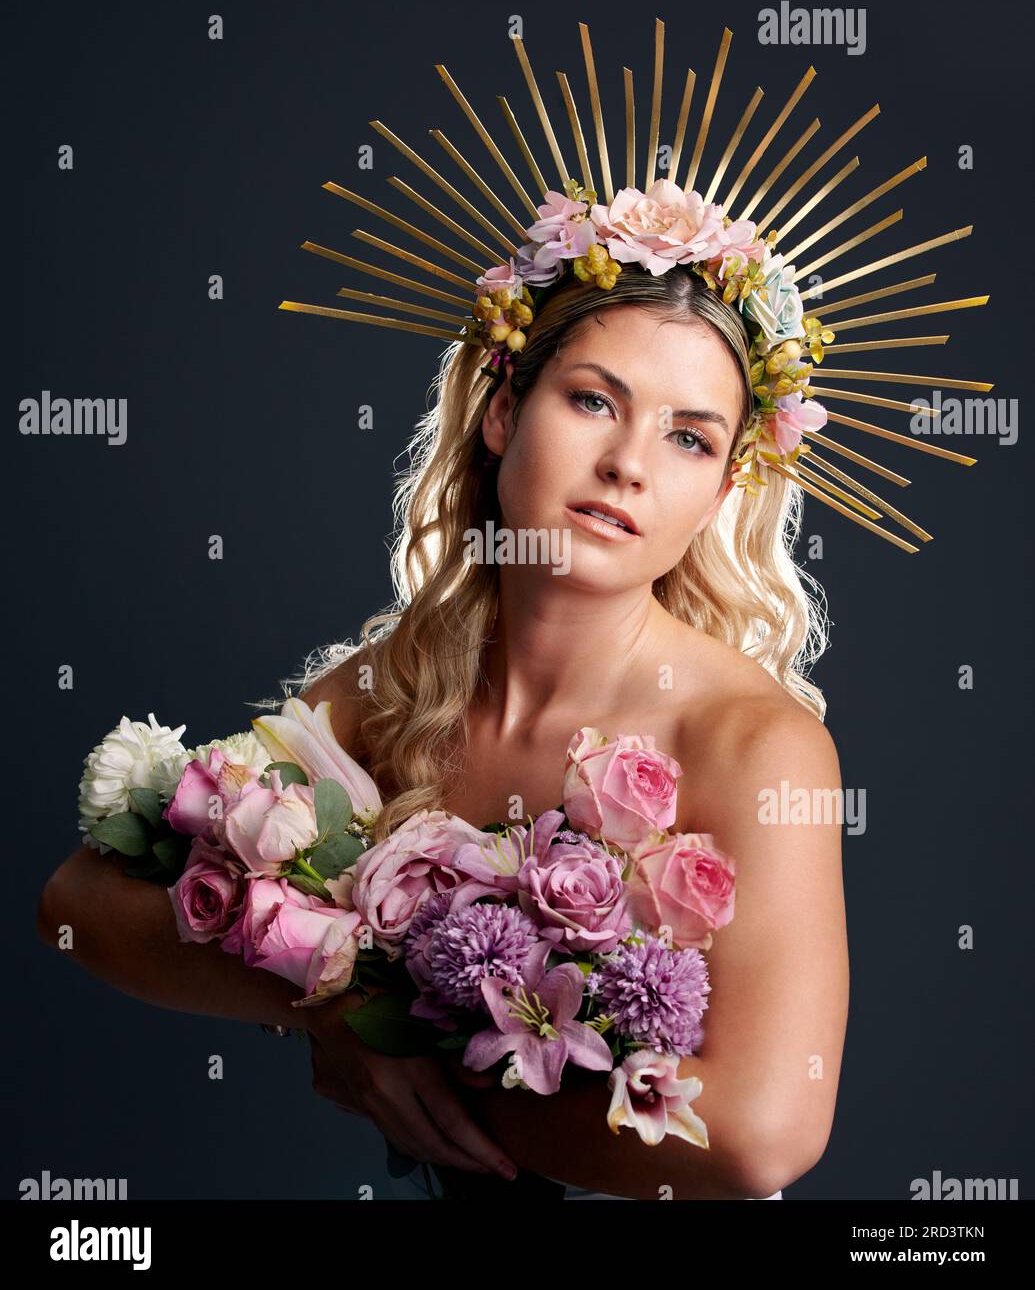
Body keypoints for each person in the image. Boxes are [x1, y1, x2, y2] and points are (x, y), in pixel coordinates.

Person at [38, 262, 849, 1201]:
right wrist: (340, 1013)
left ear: (718, 493)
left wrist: (416, 1067)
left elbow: (762, 1135)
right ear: (502, 411)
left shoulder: (753, 745)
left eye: (688, 439)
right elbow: (77, 905)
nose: (629, 462)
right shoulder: (398, 686)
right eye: (592, 400)